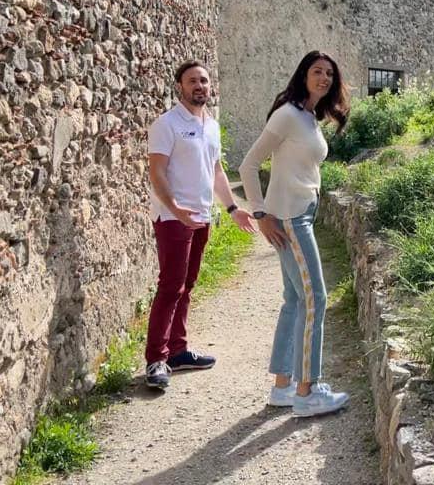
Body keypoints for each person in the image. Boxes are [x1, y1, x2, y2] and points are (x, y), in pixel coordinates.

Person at [239, 50, 351, 416]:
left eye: (329, 74)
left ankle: (284, 386)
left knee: (294, 300)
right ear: (303, 74)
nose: (324, 78)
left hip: (298, 213)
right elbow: (249, 164)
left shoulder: (308, 117)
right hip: (290, 218)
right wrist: (260, 213)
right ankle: (308, 392)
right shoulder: (288, 114)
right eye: (317, 71)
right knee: (315, 299)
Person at [145, 60, 255, 390]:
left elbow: (217, 171)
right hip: (174, 218)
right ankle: (156, 360)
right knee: (170, 286)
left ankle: (177, 351)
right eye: (193, 80)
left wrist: (233, 207)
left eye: (204, 81)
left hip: (201, 216)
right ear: (180, 86)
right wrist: (175, 208)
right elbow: (157, 172)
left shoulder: (210, 125)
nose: (200, 86)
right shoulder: (167, 124)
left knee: (187, 284)